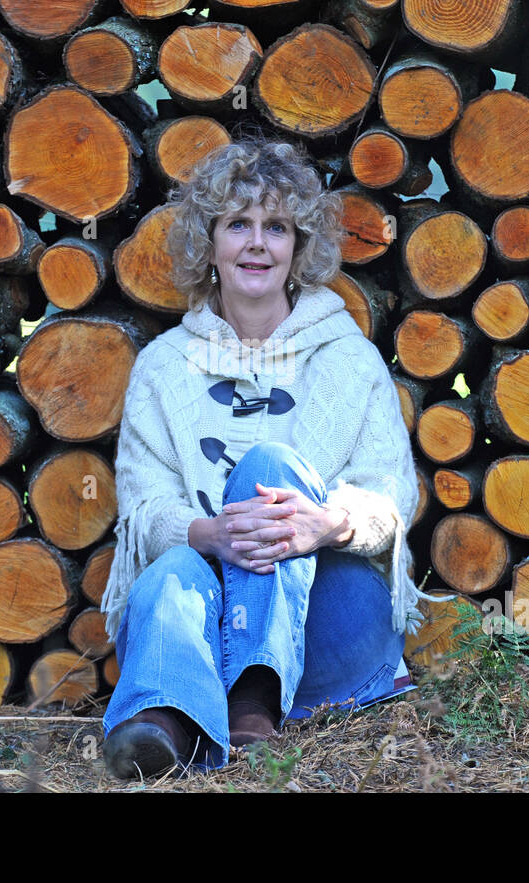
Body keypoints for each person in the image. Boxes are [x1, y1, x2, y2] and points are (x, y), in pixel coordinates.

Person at [99, 133, 426, 779]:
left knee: (268, 468)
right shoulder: (162, 368)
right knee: (169, 574)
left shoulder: (348, 358)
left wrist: (326, 524)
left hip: (332, 627)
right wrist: (211, 534)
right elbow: (142, 509)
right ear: (210, 243)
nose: (256, 243)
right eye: (238, 224)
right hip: (200, 624)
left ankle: (253, 694)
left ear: (298, 247)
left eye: (276, 227)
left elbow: (393, 495)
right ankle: (161, 722)